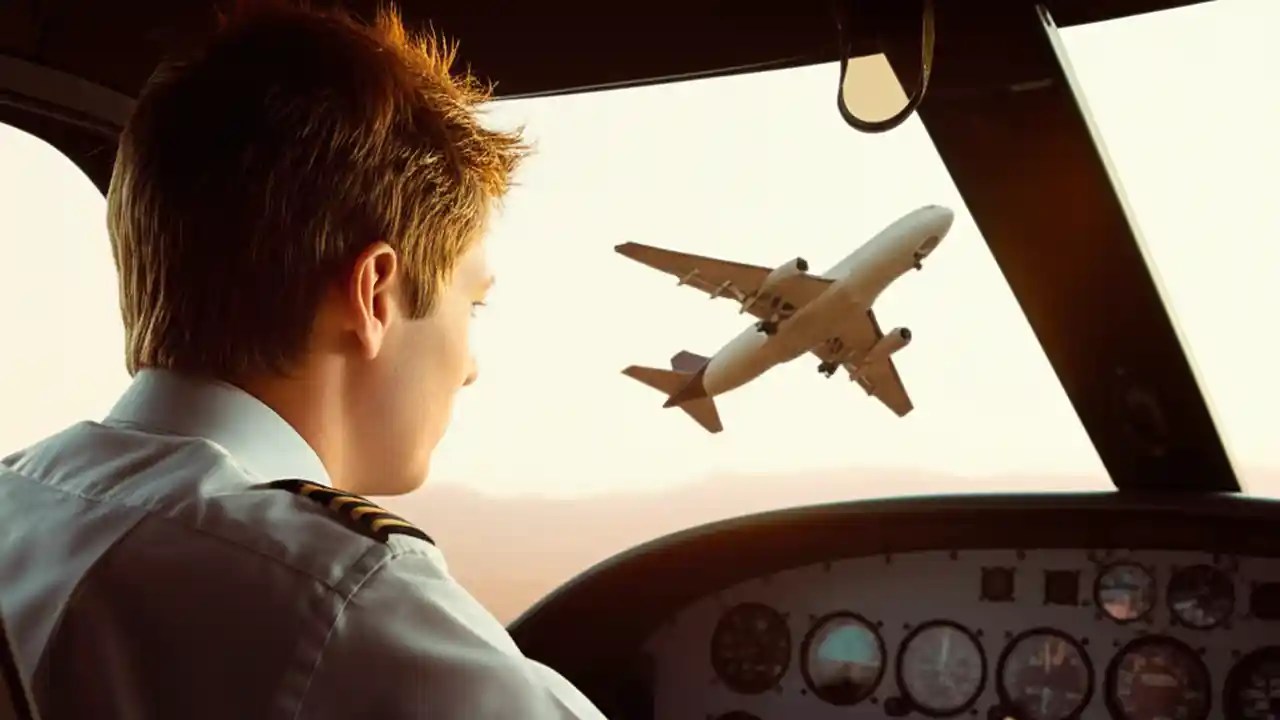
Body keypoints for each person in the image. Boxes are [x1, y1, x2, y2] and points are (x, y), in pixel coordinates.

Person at [0, 2, 609, 718]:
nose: (470, 366)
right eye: (470, 307)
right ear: (374, 295)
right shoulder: (345, 599)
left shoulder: (22, 501)